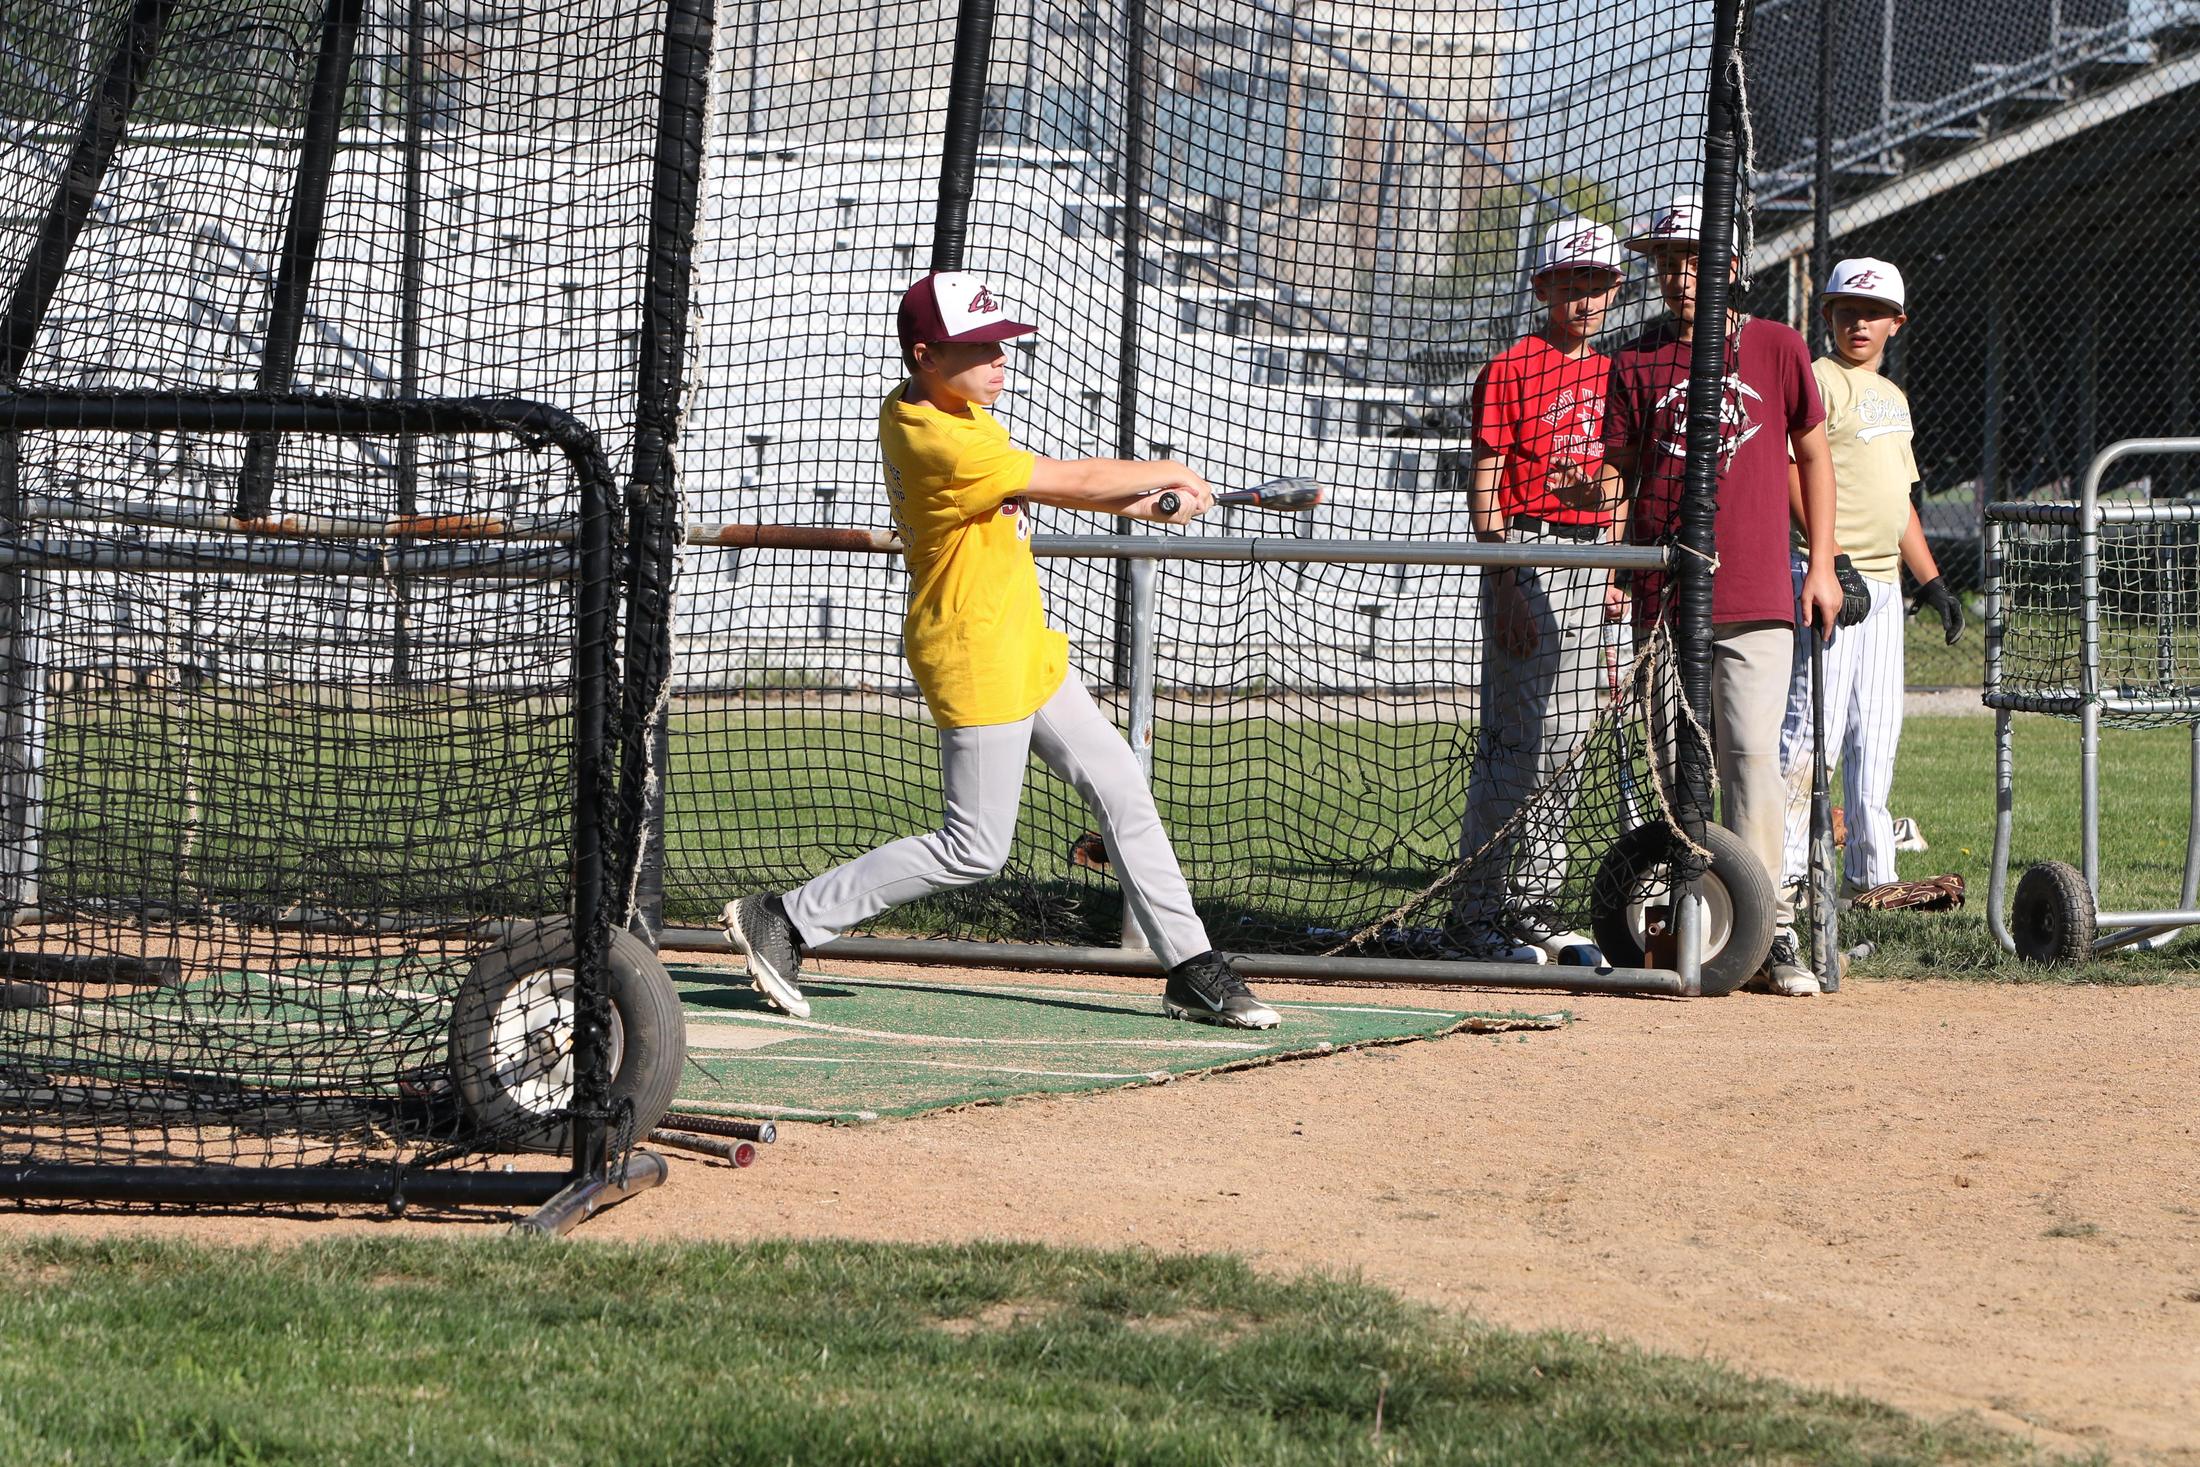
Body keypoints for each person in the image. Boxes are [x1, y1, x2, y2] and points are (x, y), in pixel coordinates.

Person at [721, 271, 1279, 1029]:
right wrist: (1169, 474)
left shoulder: (952, 409)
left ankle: (1190, 966)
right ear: (925, 354)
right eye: (979, 347)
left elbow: (1051, 488)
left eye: (1000, 344)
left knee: (1123, 790)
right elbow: (1070, 477)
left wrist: (1144, 502)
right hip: (974, 651)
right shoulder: (940, 438)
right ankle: (785, 917)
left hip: (1022, 643)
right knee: (974, 848)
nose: (999, 359)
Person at [1596, 194, 1846, 996]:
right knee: (1676, 768)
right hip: (1663, 595)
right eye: (1667, 262)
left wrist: (1824, 563)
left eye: (1694, 260)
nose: (1679, 276)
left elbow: (1813, 454)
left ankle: (1768, 926)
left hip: (1756, 592)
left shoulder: (1776, 345)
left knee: (1751, 760)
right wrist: (1612, 565)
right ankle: (1697, 918)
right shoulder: (1636, 360)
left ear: (1730, 265)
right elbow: (1620, 474)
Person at [1450, 218, 1630, 964]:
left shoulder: (1616, 373)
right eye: (1569, 283)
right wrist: (1503, 583)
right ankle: (1475, 912)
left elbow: (1619, 478)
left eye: (1597, 284)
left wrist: (1614, 566)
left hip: (1592, 555)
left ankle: (1533, 903)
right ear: (1542, 288)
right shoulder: (1513, 366)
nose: (1584, 299)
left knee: (1568, 741)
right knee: (1514, 741)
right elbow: (1486, 483)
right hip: (1526, 550)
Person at [1777, 258, 1964, 910]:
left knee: (1876, 735)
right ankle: (1786, 878)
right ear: (1827, 315)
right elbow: (1790, 471)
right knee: (1812, 729)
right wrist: (1828, 555)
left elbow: (1899, 500)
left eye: (1874, 313)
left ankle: (1872, 878)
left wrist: (1932, 581)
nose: (1860, 323)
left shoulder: (1893, 396)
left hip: (1883, 586)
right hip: (1829, 577)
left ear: (1896, 323)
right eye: (1847, 310)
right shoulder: (1817, 379)